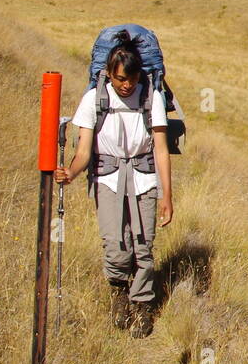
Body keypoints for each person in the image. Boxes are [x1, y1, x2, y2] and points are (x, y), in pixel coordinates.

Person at [56, 30, 173, 337]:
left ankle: (142, 306)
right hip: (107, 178)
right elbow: (83, 151)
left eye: (132, 79)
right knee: (115, 245)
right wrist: (71, 173)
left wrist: (167, 196)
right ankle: (118, 291)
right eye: (121, 79)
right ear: (108, 73)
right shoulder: (94, 99)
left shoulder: (151, 97)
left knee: (143, 247)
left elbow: (160, 149)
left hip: (145, 178)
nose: (127, 85)